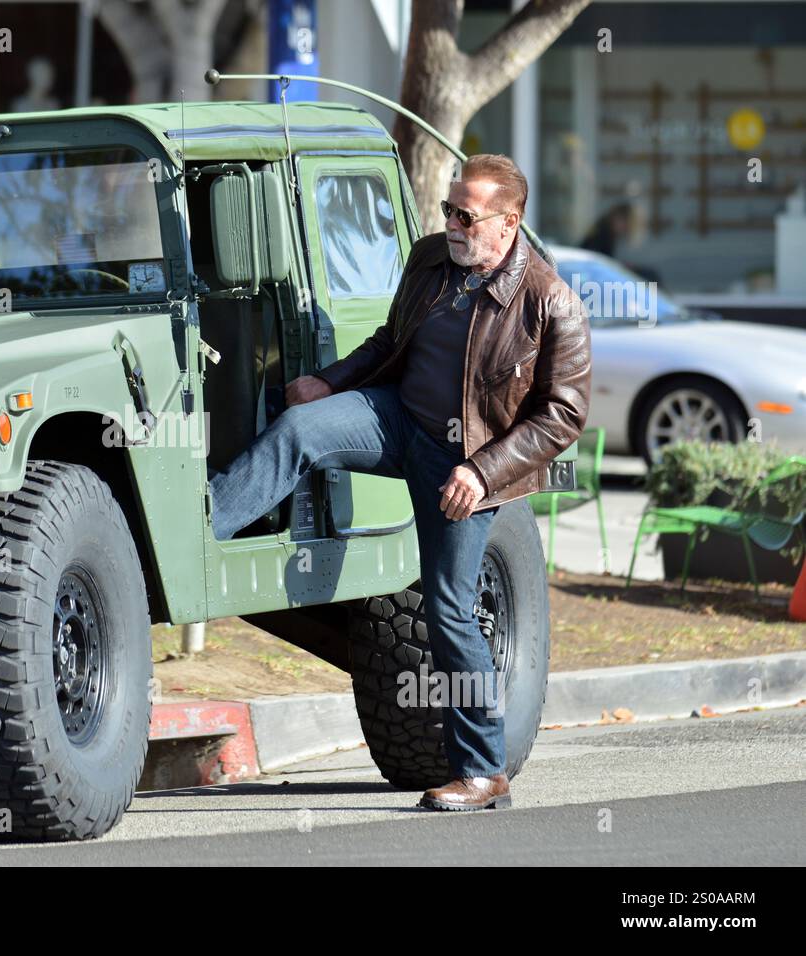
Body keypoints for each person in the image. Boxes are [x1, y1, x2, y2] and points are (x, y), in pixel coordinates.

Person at [208, 154, 592, 811]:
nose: (451, 224)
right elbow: (391, 341)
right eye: (448, 210)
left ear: (510, 222)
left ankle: (483, 773)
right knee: (301, 430)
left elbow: (563, 416)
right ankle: (193, 536)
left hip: (468, 461)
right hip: (395, 420)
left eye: (466, 216)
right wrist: (329, 382)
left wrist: (484, 470)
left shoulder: (549, 301)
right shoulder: (429, 261)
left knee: (447, 607)